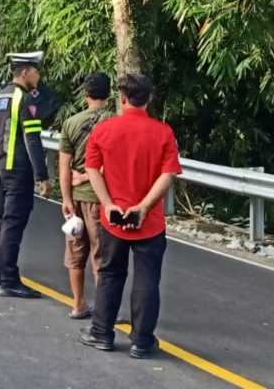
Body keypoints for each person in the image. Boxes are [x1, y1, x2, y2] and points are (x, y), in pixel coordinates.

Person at [78, 74, 182, 359]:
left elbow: (92, 170)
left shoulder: (103, 130)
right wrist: (144, 207)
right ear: (148, 99)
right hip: (148, 221)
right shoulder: (163, 133)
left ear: (122, 99)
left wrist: (109, 204)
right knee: (147, 279)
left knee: (110, 274)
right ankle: (142, 341)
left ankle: (101, 333)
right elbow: (168, 173)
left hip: (114, 219)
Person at [0, 51, 53, 298]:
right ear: (25, 71)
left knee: (3, 219)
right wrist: (42, 176)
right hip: (18, 169)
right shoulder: (26, 100)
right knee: (14, 224)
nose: (38, 76)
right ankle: (9, 280)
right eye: (36, 71)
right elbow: (32, 139)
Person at [59, 73, 114, 319]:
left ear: (86, 95)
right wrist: (91, 177)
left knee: (75, 250)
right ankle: (103, 309)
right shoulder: (115, 123)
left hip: (76, 198)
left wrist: (66, 198)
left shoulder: (71, 123)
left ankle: (78, 304)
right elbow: (115, 163)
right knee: (100, 255)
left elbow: (63, 166)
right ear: (110, 94)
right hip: (101, 198)